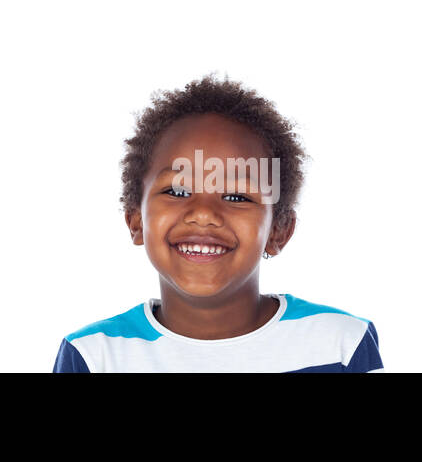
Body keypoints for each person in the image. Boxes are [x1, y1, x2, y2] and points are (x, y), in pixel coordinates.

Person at [54, 76, 382, 372]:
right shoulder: (94, 356)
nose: (204, 213)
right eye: (178, 190)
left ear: (279, 230)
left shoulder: (341, 344)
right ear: (136, 220)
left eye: (238, 196)